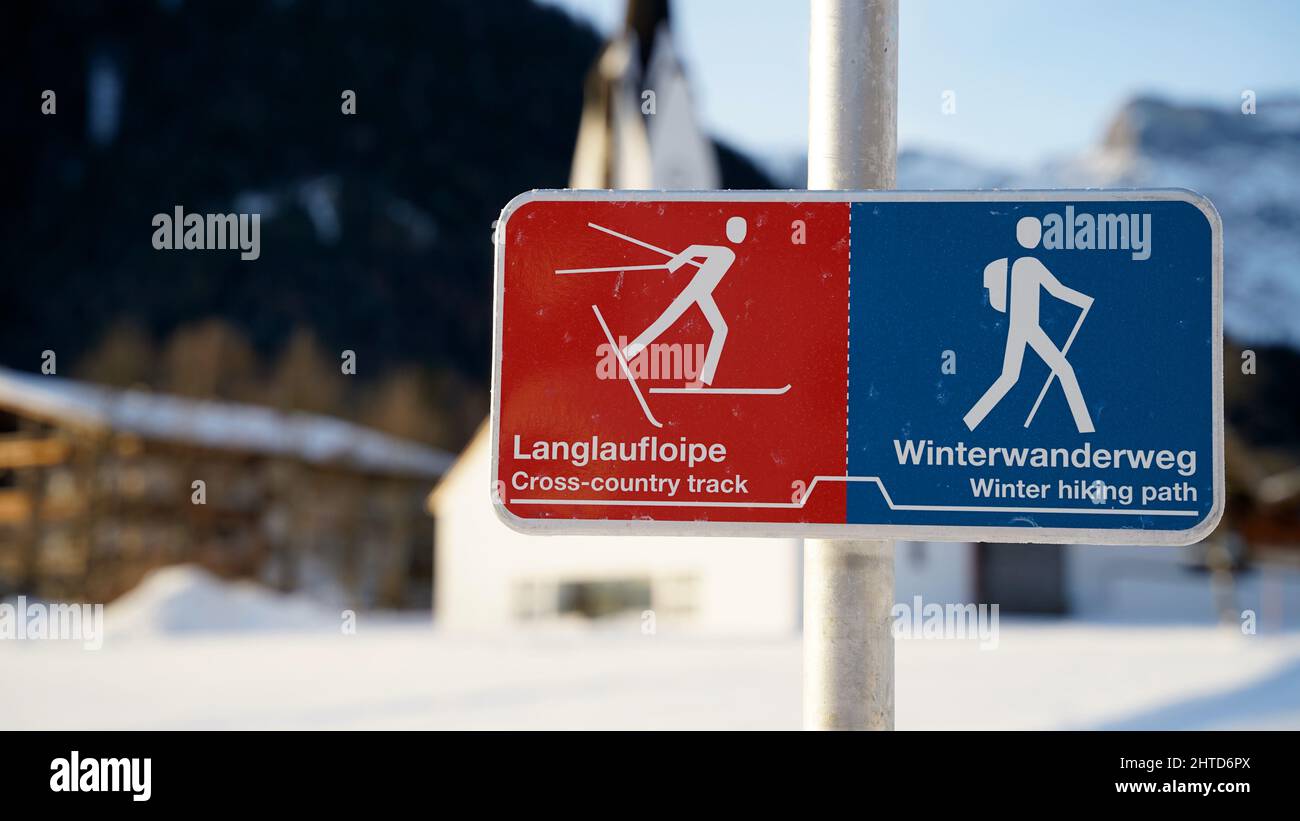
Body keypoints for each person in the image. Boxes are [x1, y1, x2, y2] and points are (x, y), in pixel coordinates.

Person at [964, 216, 1095, 433]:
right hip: (1027, 327)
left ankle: (971, 420)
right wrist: (1083, 300)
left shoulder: (1018, 265)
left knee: (1010, 377)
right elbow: (1057, 290)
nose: (1037, 237)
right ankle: (1086, 430)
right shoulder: (1030, 264)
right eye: (1034, 233)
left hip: (1022, 327)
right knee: (1064, 370)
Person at [622, 215, 746, 387]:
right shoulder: (724, 251)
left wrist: (676, 263)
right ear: (729, 231)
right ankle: (628, 353)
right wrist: (674, 263)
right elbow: (693, 249)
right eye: (737, 230)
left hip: (703, 293)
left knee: (718, 329)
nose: (741, 234)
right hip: (696, 290)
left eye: (742, 230)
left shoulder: (729, 254)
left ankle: (705, 378)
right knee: (667, 321)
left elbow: (694, 252)